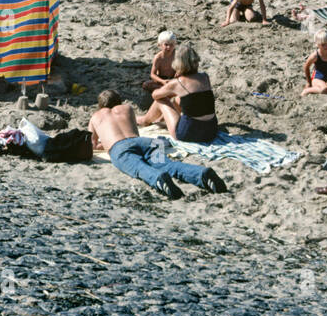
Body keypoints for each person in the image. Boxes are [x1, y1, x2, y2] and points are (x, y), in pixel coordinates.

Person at [90, 90, 226, 200]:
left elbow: (92, 145)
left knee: (139, 168)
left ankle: (158, 179)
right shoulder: (127, 108)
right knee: (168, 164)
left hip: (119, 148)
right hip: (146, 142)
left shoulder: (95, 116)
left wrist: (106, 144)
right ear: (118, 101)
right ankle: (201, 173)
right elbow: (133, 132)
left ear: (100, 106)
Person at [139, 42, 219, 143]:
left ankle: (144, 120)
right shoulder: (205, 76)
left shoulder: (178, 83)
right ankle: (159, 120)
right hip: (211, 131)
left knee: (161, 99)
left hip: (188, 134)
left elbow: (155, 95)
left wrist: (167, 85)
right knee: (180, 98)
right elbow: (194, 95)